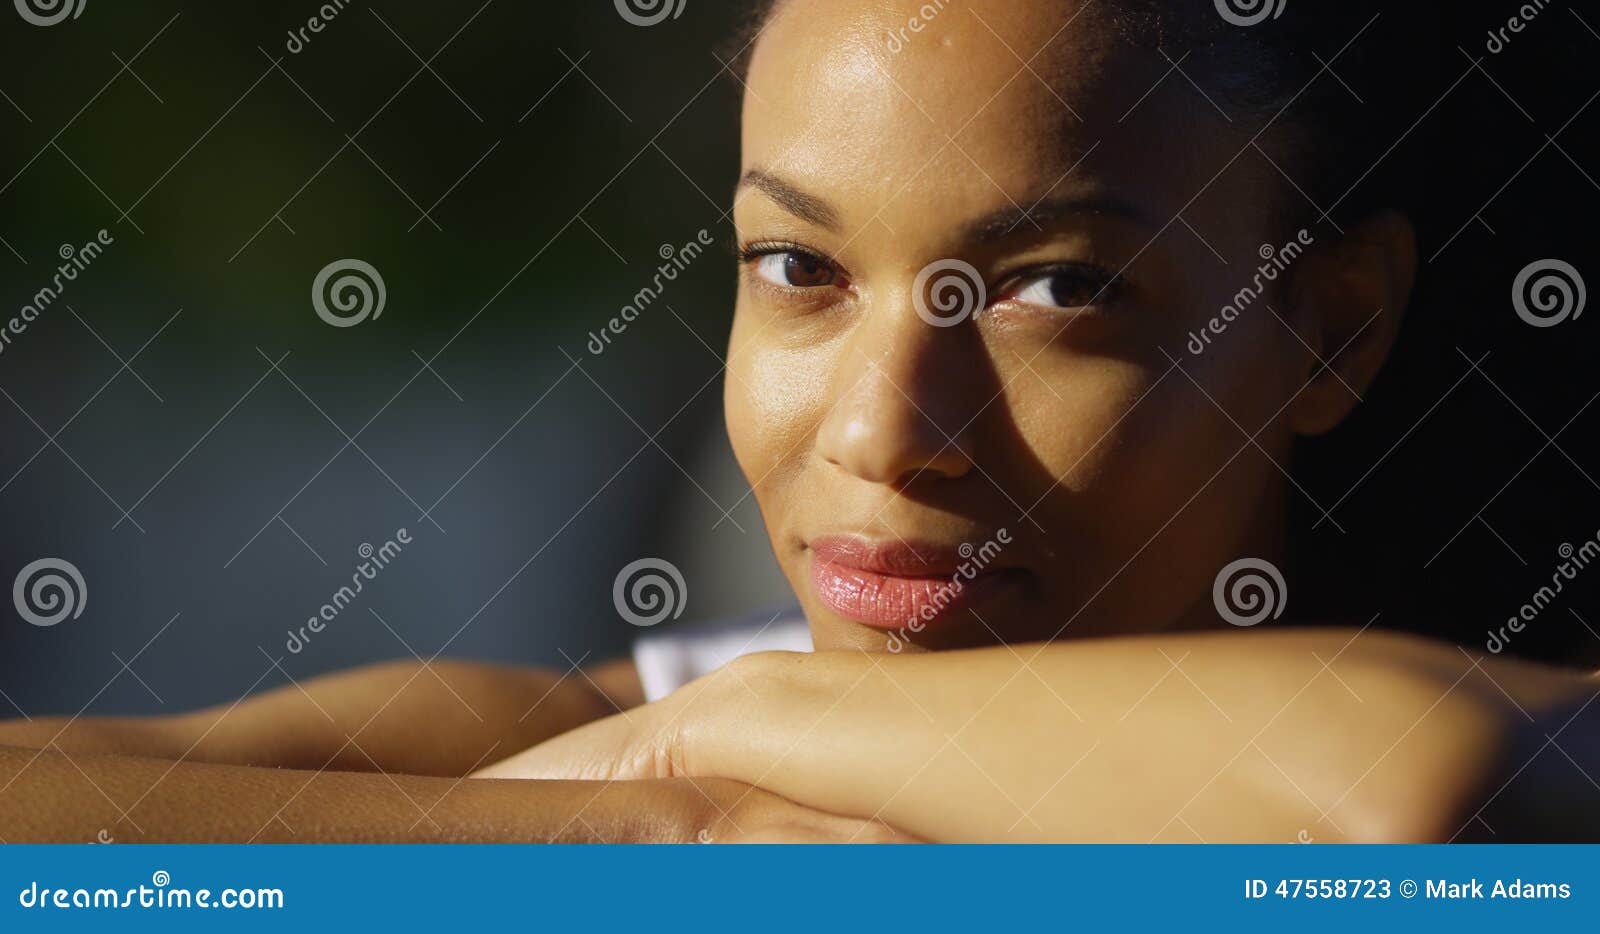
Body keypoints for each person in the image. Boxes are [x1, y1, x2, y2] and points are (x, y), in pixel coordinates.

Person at [3, 0, 1595, 843]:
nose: (887, 432)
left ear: (1330, 327)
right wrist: (655, 832)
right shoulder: (658, 740)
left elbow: (1415, 792)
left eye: (1054, 288)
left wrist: (712, 748)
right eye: (800, 267)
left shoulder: (717, 717)